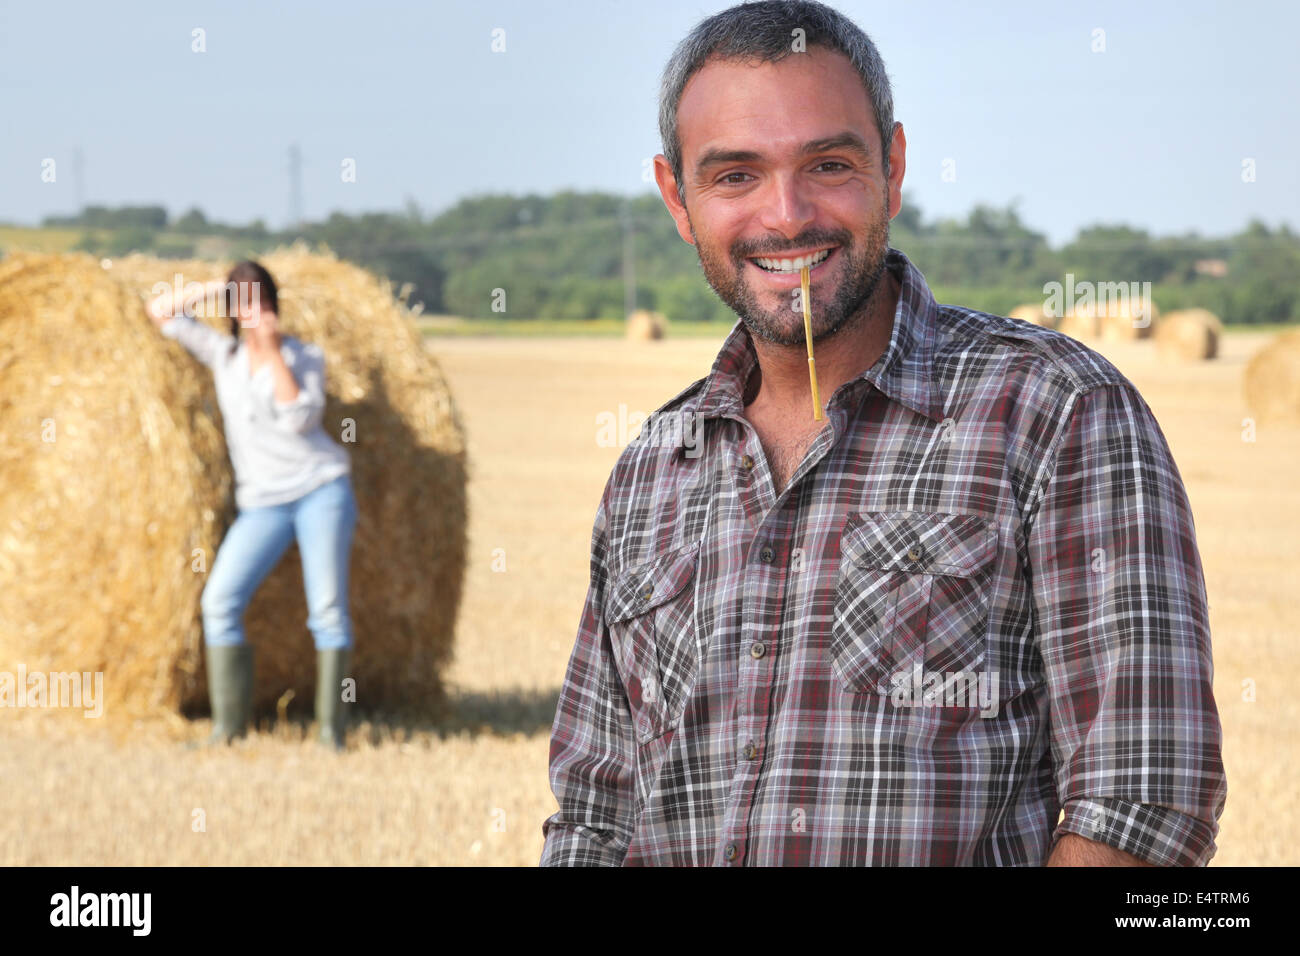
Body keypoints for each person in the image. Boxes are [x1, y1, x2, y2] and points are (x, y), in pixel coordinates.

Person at [541, 0, 1226, 865]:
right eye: (735, 176)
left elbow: (1144, 798)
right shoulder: (648, 472)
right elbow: (595, 820)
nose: (786, 217)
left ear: (892, 169)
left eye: (828, 163)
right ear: (677, 198)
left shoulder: (1057, 411)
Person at [145, 260, 358, 750]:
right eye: (244, 303)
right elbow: (158, 311)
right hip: (262, 504)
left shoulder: (305, 356)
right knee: (219, 601)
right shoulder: (223, 355)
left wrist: (273, 352)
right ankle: (228, 728)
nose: (254, 311)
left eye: (260, 300)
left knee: (327, 609)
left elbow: (300, 418)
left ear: (275, 306)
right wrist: (215, 288)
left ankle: (331, 733)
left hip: (319, 491)